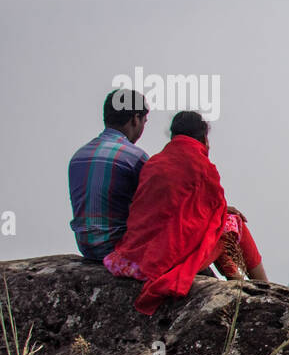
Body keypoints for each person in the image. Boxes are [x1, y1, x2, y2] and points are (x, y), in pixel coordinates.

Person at [103, 111, 267, 315]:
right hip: (164, 260)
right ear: (204, 138)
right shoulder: (202, 166)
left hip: (132, 257)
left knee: (217, 224)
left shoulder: (153, 162)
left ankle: (240, 282)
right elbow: (211, 214)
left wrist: (218, 209)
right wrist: (223, 211)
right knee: (231, 224)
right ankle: (265, 287)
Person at [68, 89, 150, 259]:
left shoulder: (79, 156)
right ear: (135, 119)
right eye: (144, 121)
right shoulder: (135, 157)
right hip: (116, 247)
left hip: (86, 246)